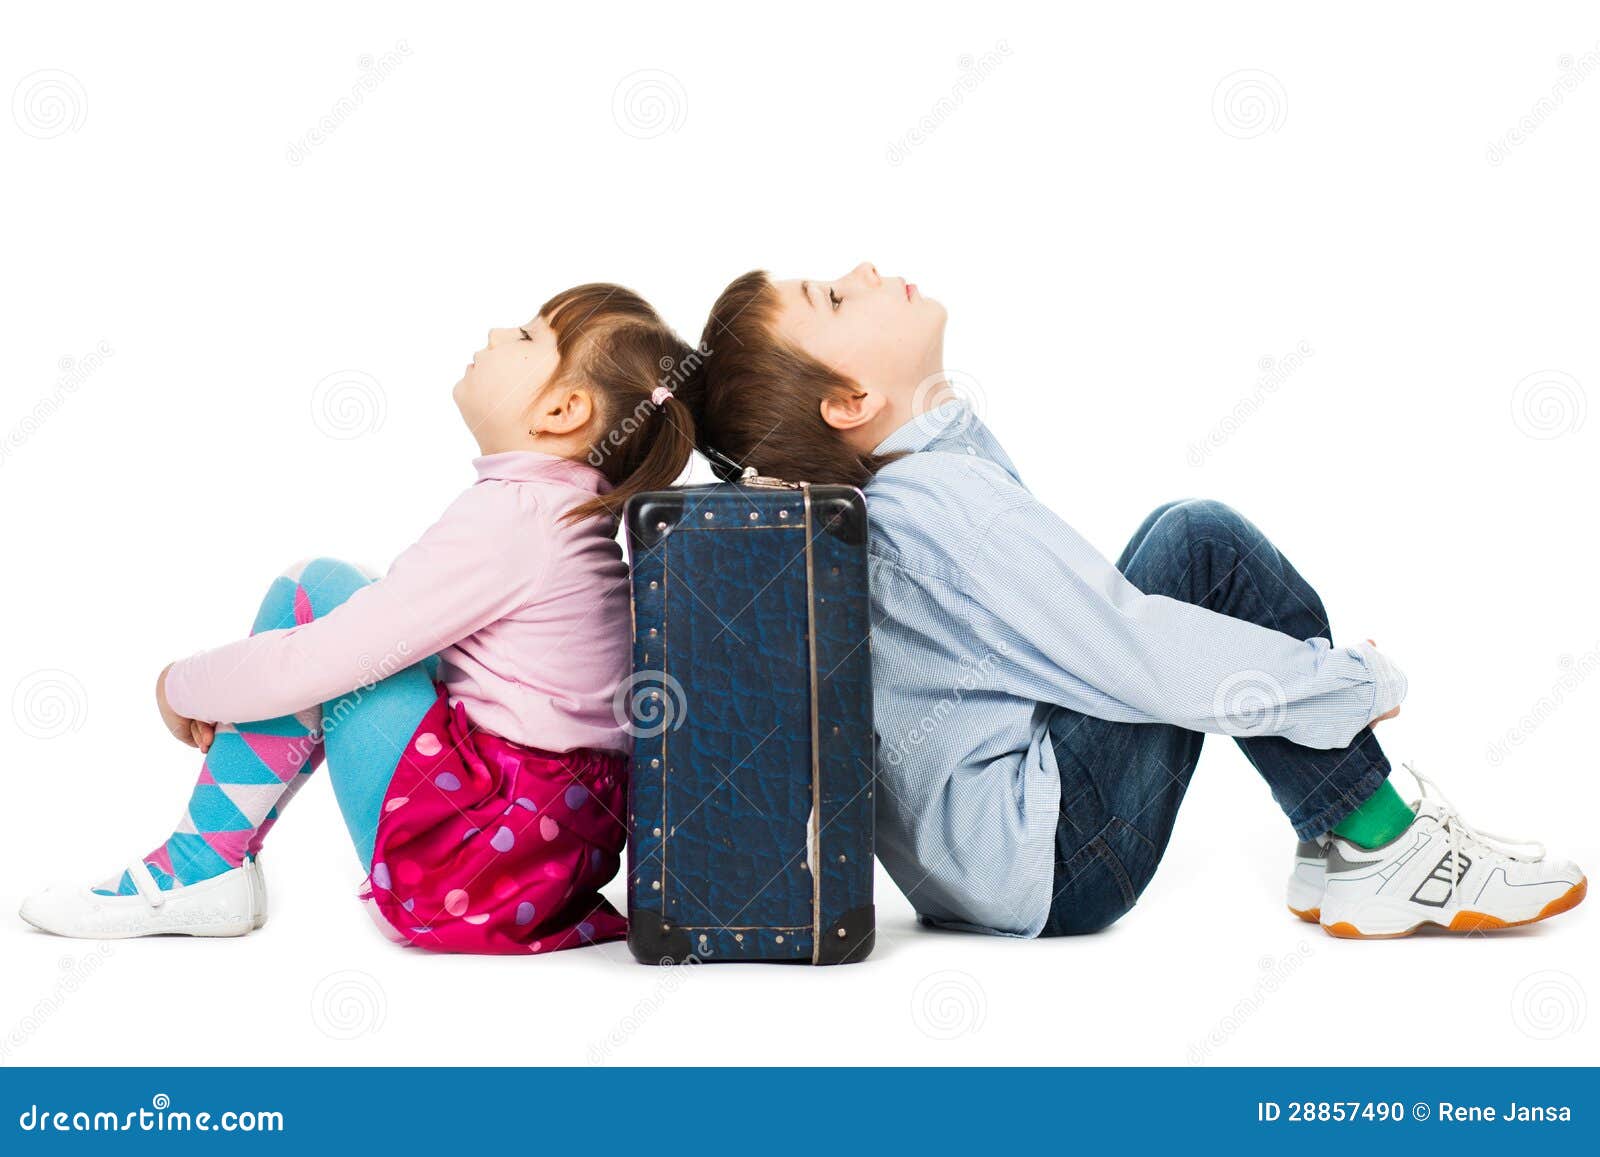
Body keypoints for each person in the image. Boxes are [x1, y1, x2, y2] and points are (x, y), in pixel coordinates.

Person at [684, 263, 1586, 939]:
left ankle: (1338, 840)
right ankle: (1380, 838)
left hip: (974, 877)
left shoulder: (905, 494)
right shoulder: (945, 505)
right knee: (1201, 545)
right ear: (850, 400)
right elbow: (1139, 655)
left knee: (1178, 542)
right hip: (1061, 862)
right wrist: (1343, 683)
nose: (864, 273)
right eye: (834, 299)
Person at [20, 284, 700, 953]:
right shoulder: (569, 516)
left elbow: (319, 659)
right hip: (547, 866)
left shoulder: (514, 516)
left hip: (474, 867)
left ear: (562, 409)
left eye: (525, 336)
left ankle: (199, 865)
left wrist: (179, 686)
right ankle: (216, 865)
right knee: (361, 621)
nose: (497, 334)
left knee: (316, 592)